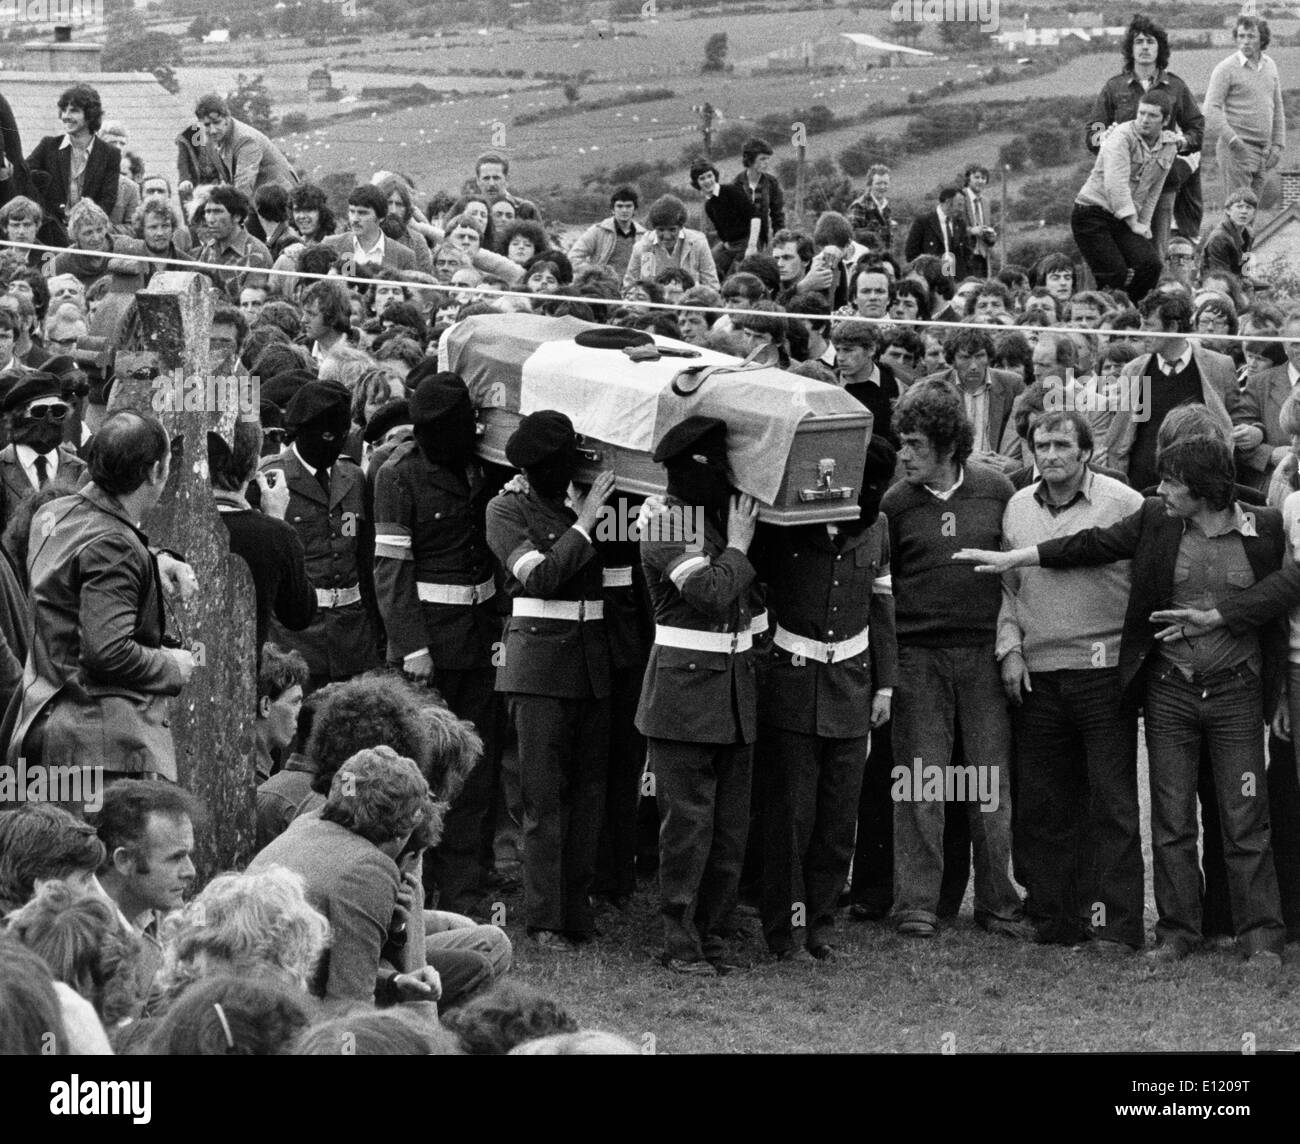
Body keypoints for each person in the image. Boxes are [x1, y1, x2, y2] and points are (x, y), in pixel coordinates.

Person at [958, 436, 1288, 973]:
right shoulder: (1157, 519)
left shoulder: (1265, 526)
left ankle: (1261, 936)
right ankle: (1179, 930)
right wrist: (1021, 556)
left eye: (1173, 482)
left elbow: (1286, 588)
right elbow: (1092, 544)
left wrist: (1222, 616)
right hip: (1171, 693)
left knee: (1244, 816)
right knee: (1172, 818)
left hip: (1237, 693)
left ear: (1203, 489)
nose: (1160, 490)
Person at [883, 380, 1032, 941]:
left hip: (983, 655)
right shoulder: (894, 502)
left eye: (915, 444)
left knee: (989, 782)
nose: (904, 454)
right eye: (902, 443)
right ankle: (916, 902)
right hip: (918, 657)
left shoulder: (996, 490)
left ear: (948, 445)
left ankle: (998, 900)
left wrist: (1011, 646)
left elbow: (1016, 577)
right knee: (919, 781)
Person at [994, 409, 1146, 951]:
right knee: (1043, 805)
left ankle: (1116, 926)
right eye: (1042, 444)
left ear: (1087, 452)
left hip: (1103, 676)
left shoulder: (1122, 504)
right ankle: (1054, 916)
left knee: (1111, 804)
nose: (1051, 454)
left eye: (1062, 444)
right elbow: (1008, 591)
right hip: (1037, 678)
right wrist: (1010, 650)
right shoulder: (1016, 506)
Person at [752, 437, 897, 961]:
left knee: (838, 820)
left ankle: (821, 924)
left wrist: (884, 685)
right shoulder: (789, 522)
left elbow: (882, 607)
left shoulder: (877, 528)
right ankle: (783, 929)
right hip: (791, 684)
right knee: (791, 818)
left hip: (853, 689)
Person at [373, 369, 503, 915]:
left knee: (475, 768)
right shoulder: (397, 475)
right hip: (429, 644)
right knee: (422, 769)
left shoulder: (482, 464)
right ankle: (413, 887)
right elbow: (390, 571)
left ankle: (467, 889)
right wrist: (414, 647)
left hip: (478, 639)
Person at [8, 412, 197, 778]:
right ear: (156, 471)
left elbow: (79, 558)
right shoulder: (115, 546)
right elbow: (107, 652)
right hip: (98, 746)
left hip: (42, 723)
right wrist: (173, 665)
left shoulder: (52, 513)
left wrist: (154, 560)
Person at [636, 417, 760, 974]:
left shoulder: (715, 516)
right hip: (683, 695)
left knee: (729, 829)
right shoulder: (665, 523)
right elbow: (710, 593)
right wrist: (738, 546)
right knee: (687, 826)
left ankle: (711, 931)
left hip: (733, 691)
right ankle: (679, 940)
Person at [485, 413, 613, 952]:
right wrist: (585, 524)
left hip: (591, 661)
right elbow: (538, 576)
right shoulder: (506, 507)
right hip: (538, 668)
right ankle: (543, 919)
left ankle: (576, 911)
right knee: (542, 798)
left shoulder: (585, 499)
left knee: (588, 796)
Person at [249, 746, 465, 1009]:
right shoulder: (369, 869)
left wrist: (393, 982)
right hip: (279, 1024)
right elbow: (349, 1006)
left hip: (247, 999)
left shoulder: (307, 823)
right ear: (403, 830)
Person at [260, 380, 379, 691]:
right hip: (294, 639)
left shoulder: (352, 476)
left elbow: (365, 559)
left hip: (353, 638)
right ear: (304, 430)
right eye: (327, 436)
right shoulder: (270, 477)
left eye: (341, 437)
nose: (334, 444)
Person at [1087, 16, 1204, 255]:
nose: (1144, 47)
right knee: (1120, 251)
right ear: (1130, 49)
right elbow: (1092, 133)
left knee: (1156, 251)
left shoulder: (1176, 87)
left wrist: (1181, 144)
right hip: (1120, 183)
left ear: (1159, 48)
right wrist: (1106, 142)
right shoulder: (1114, 87)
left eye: (1150, 42)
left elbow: (1197, 130)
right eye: (1138, 41)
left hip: (1161, 183)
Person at [1097, 293, 1236, 488]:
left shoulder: (1219, 366)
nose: (1141, 332)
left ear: (1173, 327)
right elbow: (1126, 426)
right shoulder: (1134, 370)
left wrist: (1256, 431)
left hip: (1196, 487)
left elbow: (1236, 418)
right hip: (1141, 485)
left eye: (1148, 325)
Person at [208, 418, 316, 659]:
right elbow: (299, 615)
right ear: (254, 464)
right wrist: (277, 520)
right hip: (241, 675)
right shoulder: (274, 535)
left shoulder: (171, 522)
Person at [94, 780, 203, 998]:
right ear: (124, 860)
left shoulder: (157, 917)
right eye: (176, 858)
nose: (190, 871)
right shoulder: (74, 938)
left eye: (188, 855)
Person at [1071, 90, 1176, 304]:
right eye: (1142, 113)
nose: (1145, 120)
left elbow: (1154, 190)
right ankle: (1106, 318)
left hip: (1123, 218)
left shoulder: (1169, 146)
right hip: (1091, 213)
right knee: (1114, 275)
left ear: (1165, 120)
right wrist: (1133, 222)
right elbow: (1115, 183)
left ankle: (1133, 313)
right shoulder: (1120, 136)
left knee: (1150, 265)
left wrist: (1143, 224)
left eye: (1152, 116)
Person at [1203, 15, 1285, 201]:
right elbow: (1210, 109)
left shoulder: (1270, 66)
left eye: (1251, 36)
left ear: (1262, 39)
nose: (1245, 42)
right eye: (1241, 36)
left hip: (1263, 152)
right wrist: (1234, 141)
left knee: (1250, 214)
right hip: (1236, 151)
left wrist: (1278, 146)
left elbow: (1277, 107)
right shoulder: (1225, 68)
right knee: (1238, 211)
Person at [25, 84, 118, 242]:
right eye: (64, 110)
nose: (65, 116)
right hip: (49, 234)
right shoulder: (47, 146)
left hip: (89, 236)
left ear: (90, 115)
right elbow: (25, 181)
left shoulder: (110, 154)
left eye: (73, 110)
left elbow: (107, 200)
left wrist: (84, 226)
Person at [0, 373, 85, 534]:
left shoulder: (80, 470)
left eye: (58, 411)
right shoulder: (2, 468)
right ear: (19, 417)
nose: (50, 418)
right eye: (39, 411)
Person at [189, 94, 300, 199]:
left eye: (217, 122)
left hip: (282, 197)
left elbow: (243, 187)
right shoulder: (215, 138)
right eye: (207, 125)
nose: (212, 130)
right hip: (260, 197)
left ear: (227, 118)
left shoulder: (246, 140)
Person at [623, 195, 718, 292]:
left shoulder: (698, 243)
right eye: (661, 230)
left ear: (681, 227)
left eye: (672, 230)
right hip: (655, 303)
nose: (667, 236)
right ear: (654, 228)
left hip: (689, 303)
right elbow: (629, 286)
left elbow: (712, 285)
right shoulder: (643, 247)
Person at [195, 185, 273, 303]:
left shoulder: (257, 254)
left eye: (217, 211)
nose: (210, 219)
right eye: (207, 212)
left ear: (237, 216)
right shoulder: (209, 248)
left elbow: (251, 307)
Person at [322, 184, 417, 275]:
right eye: (352, 211)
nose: (355, 219)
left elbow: (411, 291)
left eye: (362, 213)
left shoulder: (404, 256)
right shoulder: (330, 244)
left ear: (381, 217)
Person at [690, 159, 759, 281]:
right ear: (697, 183)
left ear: (715, 176)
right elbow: (721, 231)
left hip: (747, 241)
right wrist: (726, 246)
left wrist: (752, 246)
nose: (707, 181)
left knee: (732, 279)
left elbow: (755, 216)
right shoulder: (709, 205)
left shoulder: (731, 190)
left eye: (709, 176)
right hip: (729, 245)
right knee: (705, 269)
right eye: (702, 178)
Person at [569, 187, 644, 282]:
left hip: (632, 289)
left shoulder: (644, 236)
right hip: (603, 287)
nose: (624, 210)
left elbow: (649, 268)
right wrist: (595, 273)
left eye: (628, 206)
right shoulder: (598, 231)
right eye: (620, 206)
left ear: (635, 210)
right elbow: (574, 257)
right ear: (612, 210)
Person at [904, 187, 968, 282]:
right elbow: (911, 253)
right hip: (929, 280)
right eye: (959, 205)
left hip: (954, 281)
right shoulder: (923, 222)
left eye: (963, 205)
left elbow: (966, 252)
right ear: (947, 202)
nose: (962, 210)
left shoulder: (960, 224)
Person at [732, 137, 784, 252]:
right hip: (739, 240)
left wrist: (780, 244)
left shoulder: (772, 183)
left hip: (761, 239)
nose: (766, 163)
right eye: (762, 159)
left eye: (768, 159)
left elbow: (778, 216)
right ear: (750, 160)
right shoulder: (736, 184)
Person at [1201, 189, 1257, 282]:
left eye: (1249, 207)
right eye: (1239, 207)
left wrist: (1247, 282)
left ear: (1254, 213)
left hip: (1236, 281)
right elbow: (1220, 277)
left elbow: (1245, 269)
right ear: (1228, 210)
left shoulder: (1249, 234)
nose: (1244, 211)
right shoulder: (1219, 238)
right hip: (1215, 285)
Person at [956, 165, 997, 278]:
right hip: (962, 255)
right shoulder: (959, 197)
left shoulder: (986, 202)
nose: (980, 181)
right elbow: (951, 225)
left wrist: (991, 237)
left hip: (982, 256)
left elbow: (986, 227)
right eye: (976, 177)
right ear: (968, 179)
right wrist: (971, 231)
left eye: (983, 178)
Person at [846, 165, 893, 254]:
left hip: (883, 258)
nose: (882, 187)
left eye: (885, 183)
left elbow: (889, 239)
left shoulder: (887, 206)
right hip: (864, 260)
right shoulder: (859, 205)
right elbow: (851, 237)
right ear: (870, 184)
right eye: (878, 183)